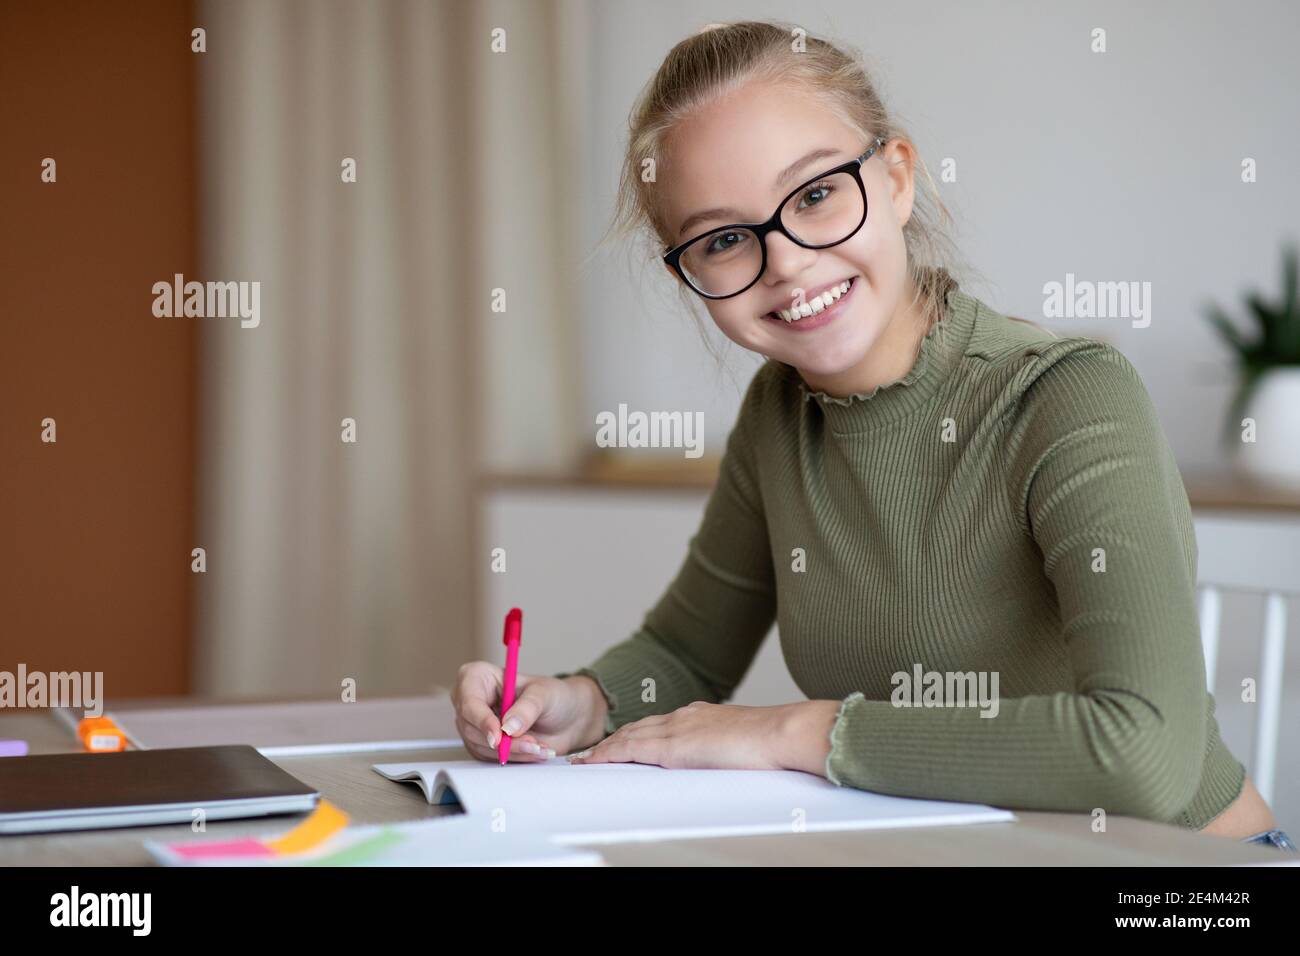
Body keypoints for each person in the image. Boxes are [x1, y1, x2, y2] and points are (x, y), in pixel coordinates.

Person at [452, 20, 1291, 850]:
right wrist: (581, 701)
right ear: (687, 274)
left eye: (815, 194)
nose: (784, 262)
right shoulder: (779, 415)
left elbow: (1147, 754)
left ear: (895, 180)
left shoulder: (1066, 396)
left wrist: (797, 733)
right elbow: (684, 651)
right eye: (724, 239)